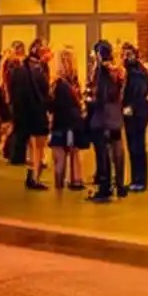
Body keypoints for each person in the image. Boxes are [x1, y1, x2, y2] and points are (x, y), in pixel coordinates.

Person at [88, 41, 127, 202]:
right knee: (117, 149)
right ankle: (120, 184)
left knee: (103, 153)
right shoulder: (119, 71)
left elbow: (98, 95)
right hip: (116, 116)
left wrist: (89, 100)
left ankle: (105, 187)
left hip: (102, 118)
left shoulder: (101, 72)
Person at [10, 41, 52, 190]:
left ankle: (30, 175)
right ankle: (35, 177)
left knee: (30, 146)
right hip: (38, 113)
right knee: (39, 147)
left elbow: (13, 91)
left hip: (23, 113)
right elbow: (46, 94)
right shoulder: (40, 71)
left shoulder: (19, 69)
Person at [49, 48, 85, 191]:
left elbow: (53, 105)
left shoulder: (58, 84)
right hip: (73, 124)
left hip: (60, 124)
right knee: (73, 150)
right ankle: (76, 180)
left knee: (59, 154)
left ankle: (59, 184)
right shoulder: (74, 82)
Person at [120, 43, 148, 192]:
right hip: (138, 111)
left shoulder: (135, 72)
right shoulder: (139, 70)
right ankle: (136, 180)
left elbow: (138, 91)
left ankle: (139, 181)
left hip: (136, 113)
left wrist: (129, 107)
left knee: (136, 147)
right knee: (135, 147)